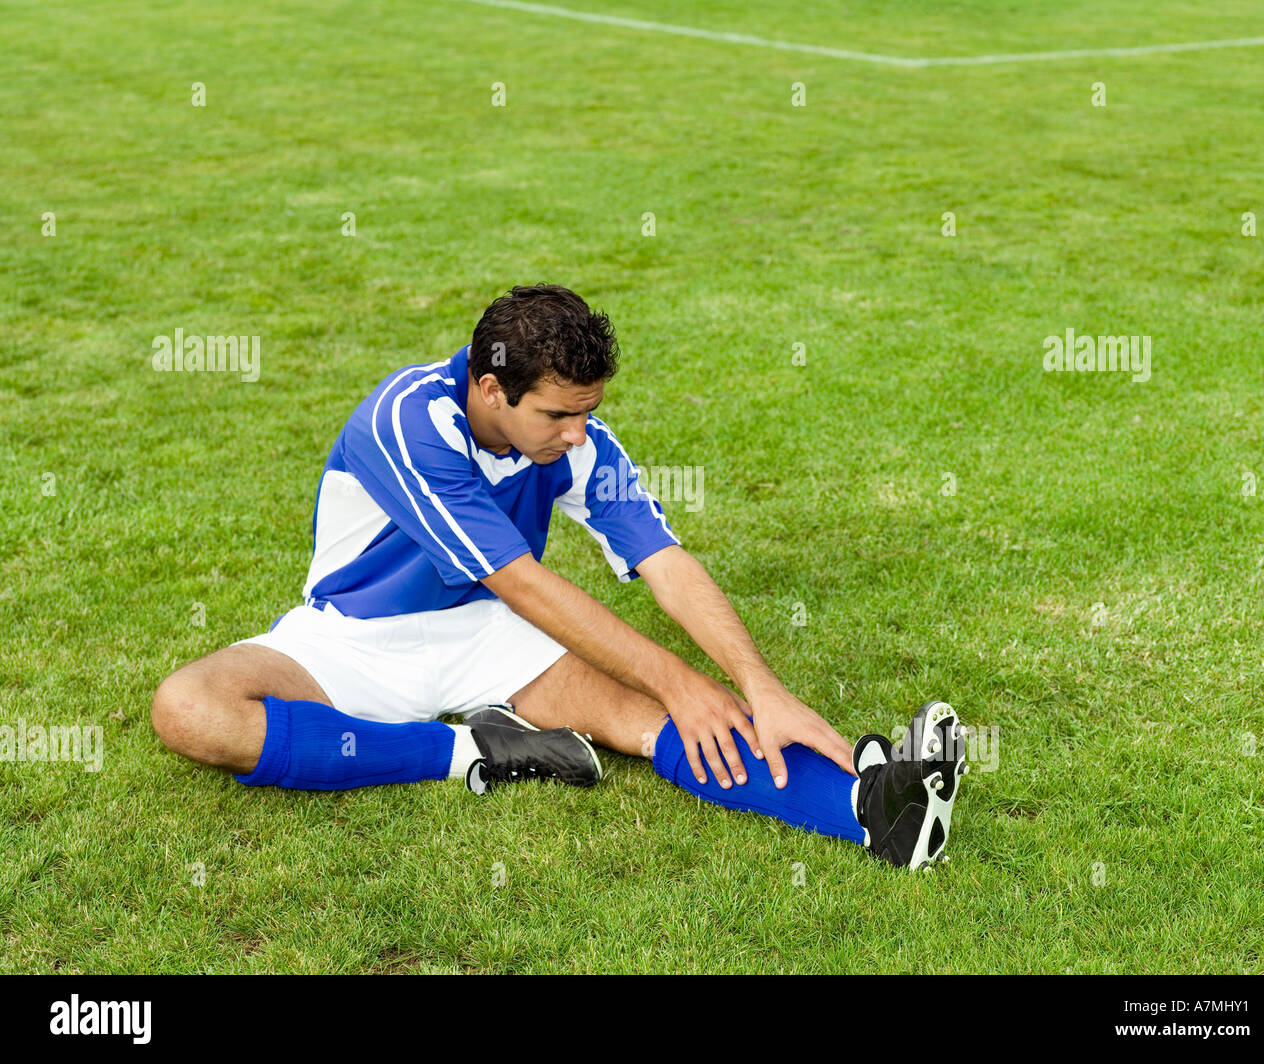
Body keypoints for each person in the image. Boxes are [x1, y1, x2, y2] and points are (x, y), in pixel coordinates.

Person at [151, 284, 968, 869]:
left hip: (489, 636)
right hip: (351, 641)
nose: (579, 435)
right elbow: (523, 582)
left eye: (589, 411)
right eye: (558, 415)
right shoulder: (407, 421)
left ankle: (873, 807)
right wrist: (684, 678)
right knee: (190, 708)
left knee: (654, 723)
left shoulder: (576, 437)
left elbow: (665, 562)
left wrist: (757, 683)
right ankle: (473, 749)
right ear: (489, 388)